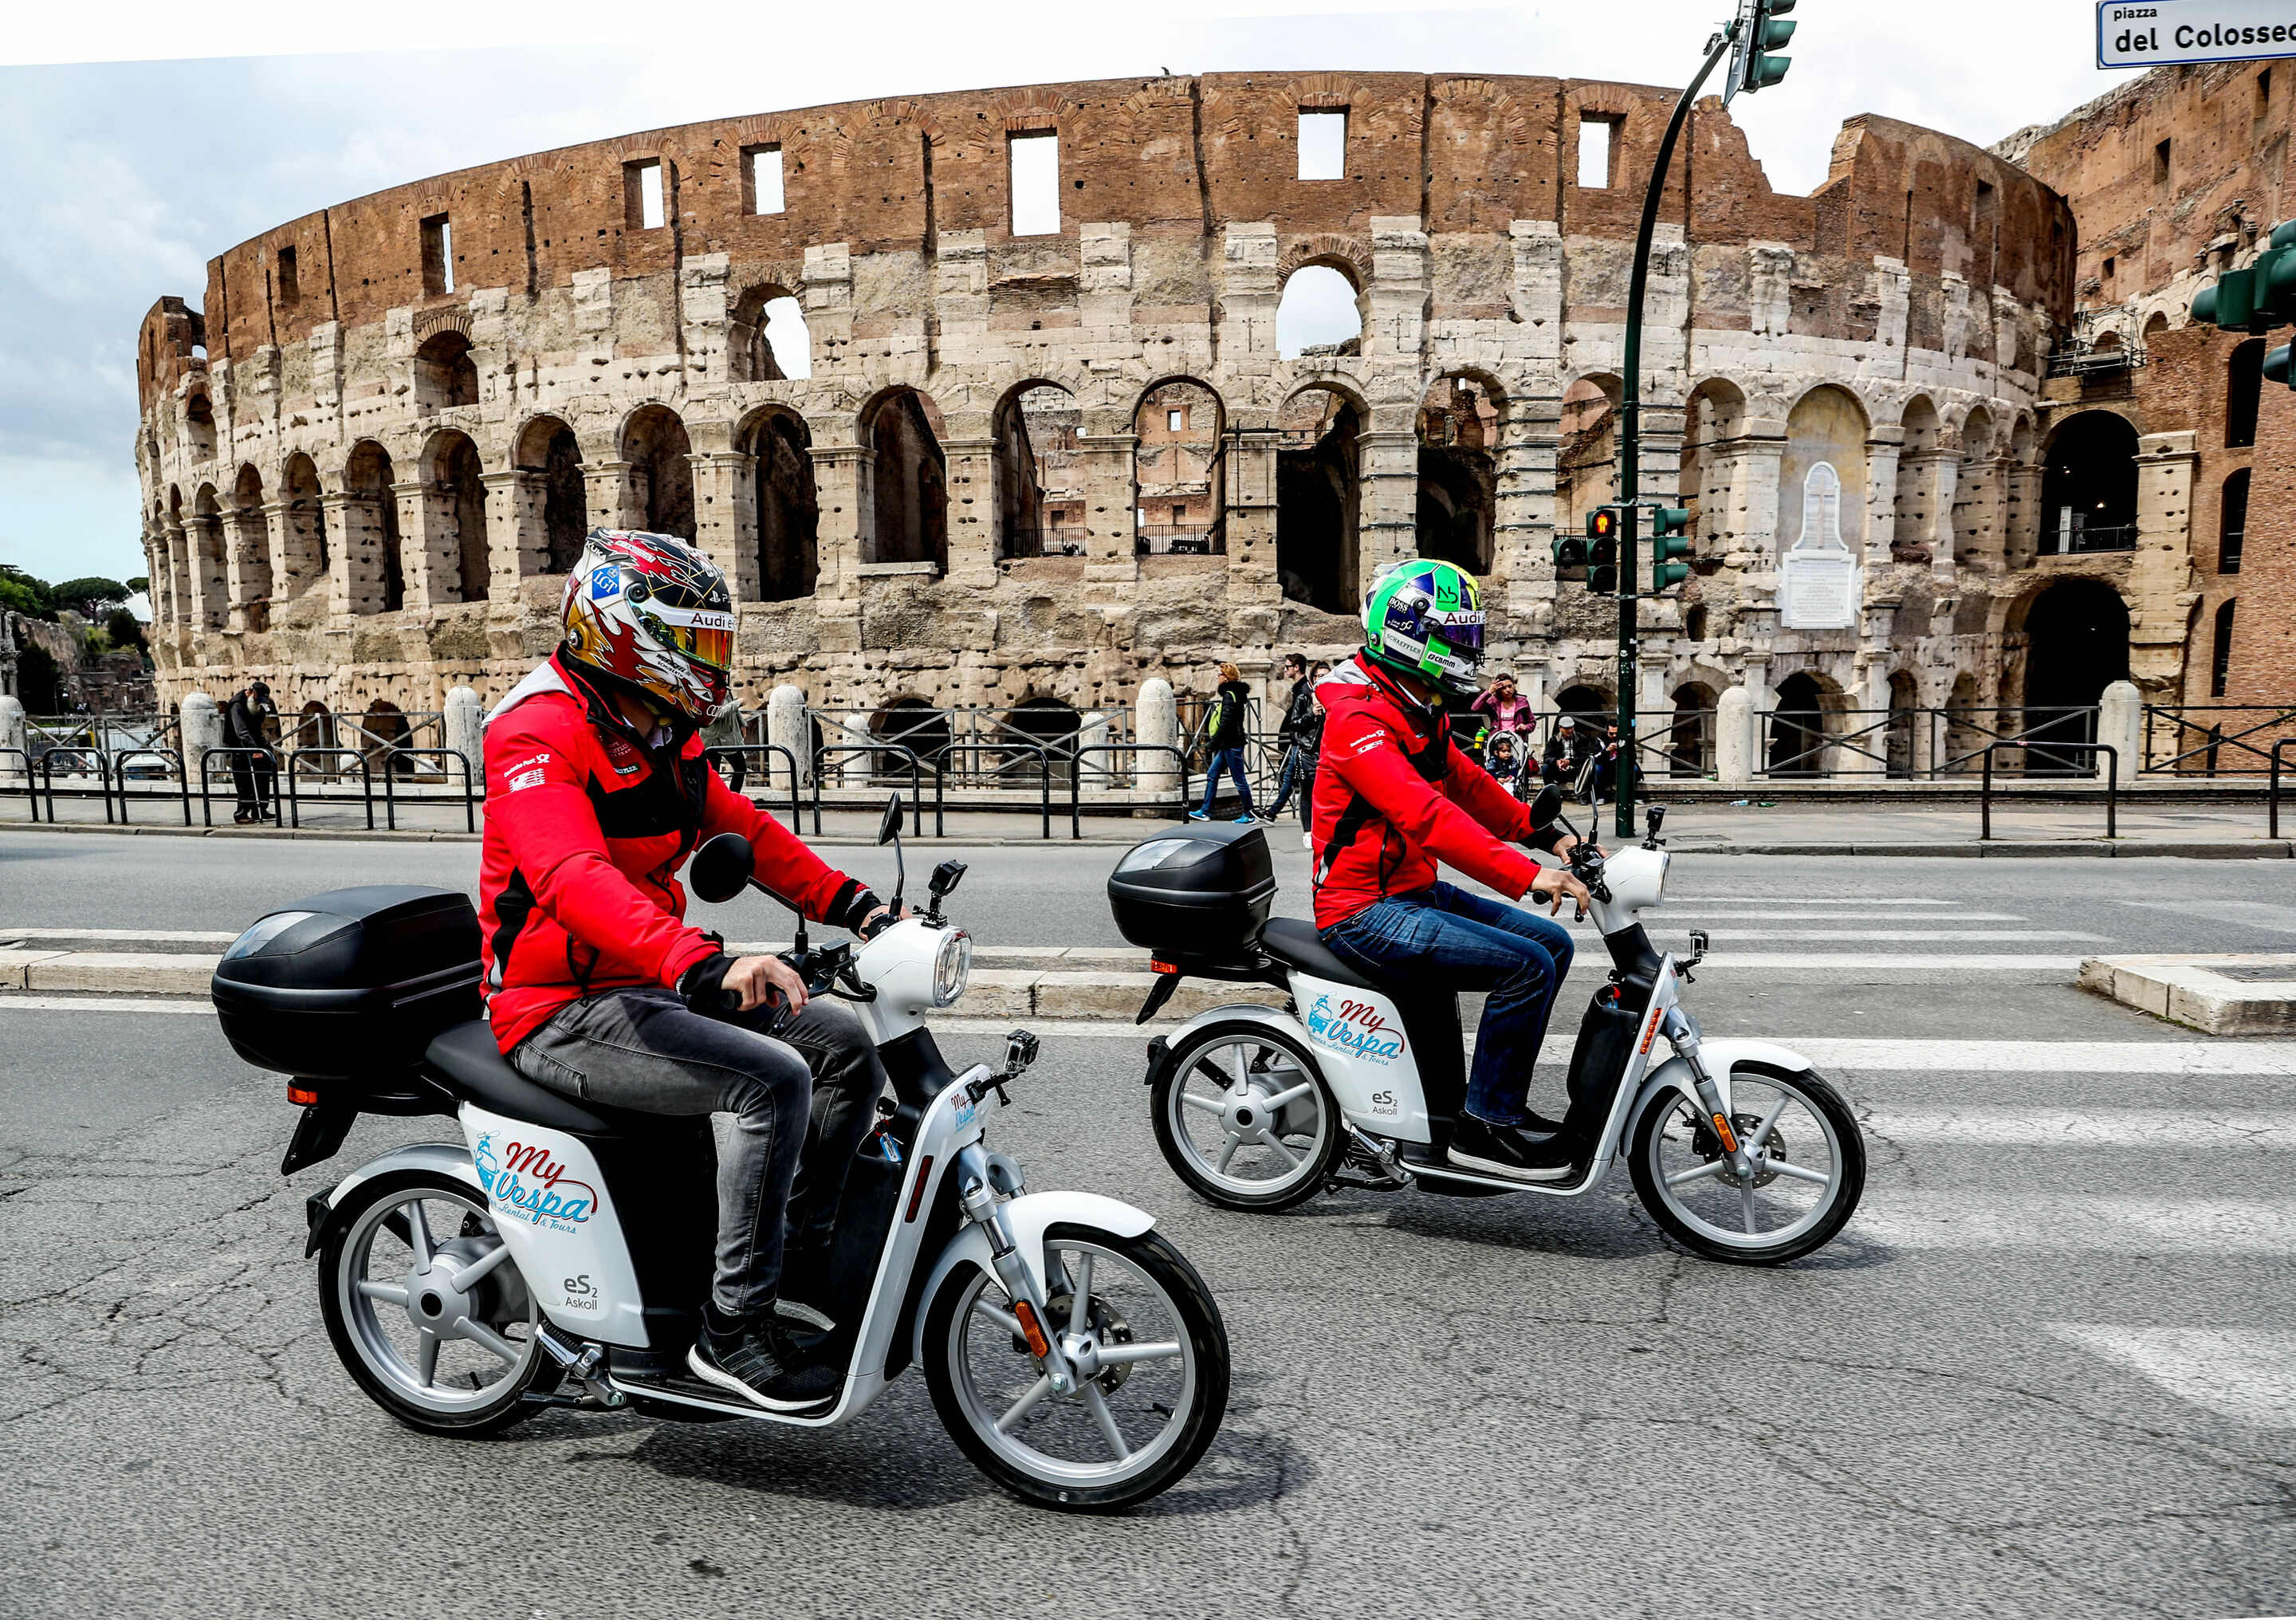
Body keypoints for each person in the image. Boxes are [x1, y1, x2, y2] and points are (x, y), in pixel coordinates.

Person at [481, 529, 902, 1413]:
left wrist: (856, 905)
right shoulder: (536, 731)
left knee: (840, 1042)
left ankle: (792, 1259)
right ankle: (732, 1334)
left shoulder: (659, 727)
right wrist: (698, 963)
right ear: (627, 634)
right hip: (555, 1005)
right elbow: (569, 877)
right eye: (695, 642)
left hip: (633, 981)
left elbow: (743, 831)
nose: (712, 662)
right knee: (771, 1080)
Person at [1311, 558, 1598, 1183]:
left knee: (1550, 942)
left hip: (1411, 891)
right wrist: (1525, 876)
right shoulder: (1358, 717)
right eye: (1457, 635)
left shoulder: (1417, 703)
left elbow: (1465, 784)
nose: (1469, 647)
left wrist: (1545, 834)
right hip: (1362, 910)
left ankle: (1498, 1104)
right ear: (1413, 636)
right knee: (1525, 965)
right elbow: (1425, 814)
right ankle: (1484, 1130)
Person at [1189, 661, 1256, 824]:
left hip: (1232, 744)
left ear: (1226, 678)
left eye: (1219, 674)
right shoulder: (1237, 694)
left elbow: (1227, 723)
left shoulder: (1229, 695)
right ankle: (1206, 811)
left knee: (1239, 779)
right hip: (1229, 743)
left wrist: (1213, 744)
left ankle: (1249, 814)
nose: (1217, 677)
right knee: (1212, 774)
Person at [1264, 654, 1316, 823]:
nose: (1285, 670)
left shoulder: (1304, 690)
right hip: (1297, 740)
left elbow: (1305, 718)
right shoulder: (1300, 688)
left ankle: (1272, 813)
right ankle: (1272, 813)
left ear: (1297, 668)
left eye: (1287, 667)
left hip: (1301, 741)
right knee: (1289, 777)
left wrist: (1296, 732)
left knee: (1292, 778)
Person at [223, 681, 278, 824]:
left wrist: (264, 747)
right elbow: (241, 731)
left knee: (263, 778)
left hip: (257, 746)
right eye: (258, 699)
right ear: (251, 692)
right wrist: (253, 749)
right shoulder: (237, 705)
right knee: (244, 782)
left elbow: (257, 728)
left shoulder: (256, 707)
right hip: (240, 747)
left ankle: (260, 809)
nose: (259, 702)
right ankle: (241, 813)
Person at [1470, 671, 1534, 749]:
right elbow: (1475, 707)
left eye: (1510, 686)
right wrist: (1489, 692)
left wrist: (1525, 727)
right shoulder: (1493, 702)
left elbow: (1532, 722)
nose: (1508, 690)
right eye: (1503, 688)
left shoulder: (1522, 702)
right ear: (1499, 690)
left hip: (1517, 741)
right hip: (1497, 740)